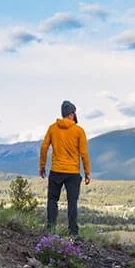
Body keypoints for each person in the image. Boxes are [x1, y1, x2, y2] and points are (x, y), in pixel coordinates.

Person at [39, 100, 91, 237]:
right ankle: (73, 232)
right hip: (73, 173)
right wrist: (87, 172)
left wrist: (42, 166)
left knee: (52, 200)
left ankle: (50, 229)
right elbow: (84, 154)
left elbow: (44, 147)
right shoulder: (79, 131)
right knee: (72, 202)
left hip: (56, 170)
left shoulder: (52, 128)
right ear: (72, 114)